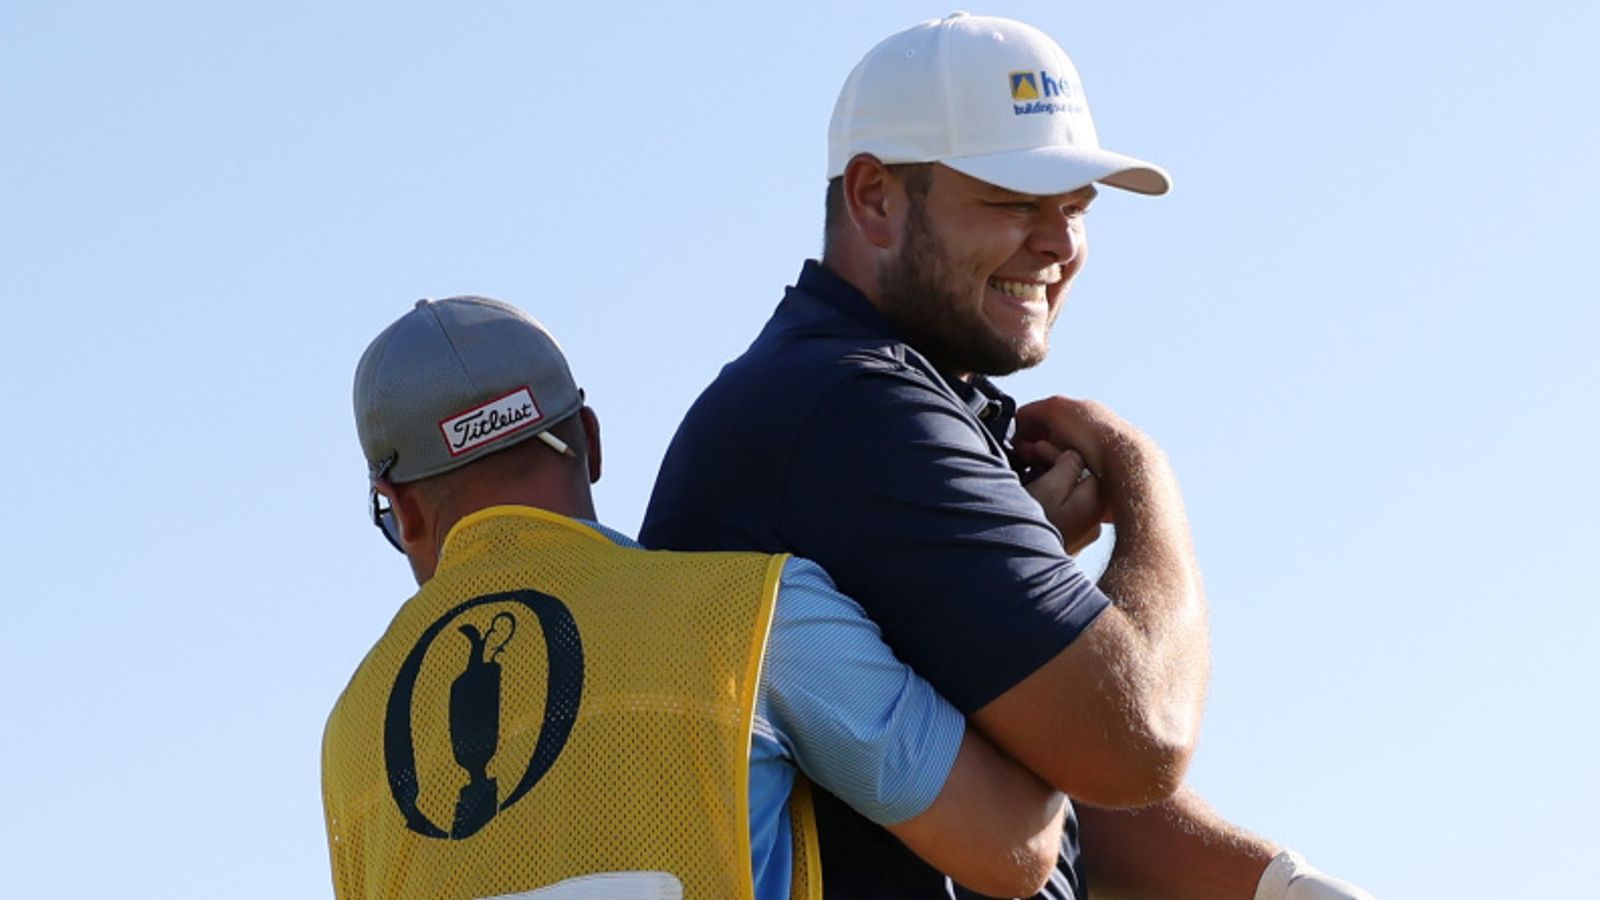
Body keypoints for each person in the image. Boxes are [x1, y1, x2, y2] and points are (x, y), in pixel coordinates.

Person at [642, 13, 1374, 900]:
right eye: (1013, 200)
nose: (1060, 245)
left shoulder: (849, 394)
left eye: (1074, 209)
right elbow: (1137, 735)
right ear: (874, 197)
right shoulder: (850, 409)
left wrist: (1286, 889)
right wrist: (1149, 484)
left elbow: (1049, 766)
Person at [320, 296, 1067, 900]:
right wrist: (1020, 587)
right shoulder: (752, 618)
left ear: (402, 508)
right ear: (590, 437)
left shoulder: (351, 737)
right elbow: (1011, 848)